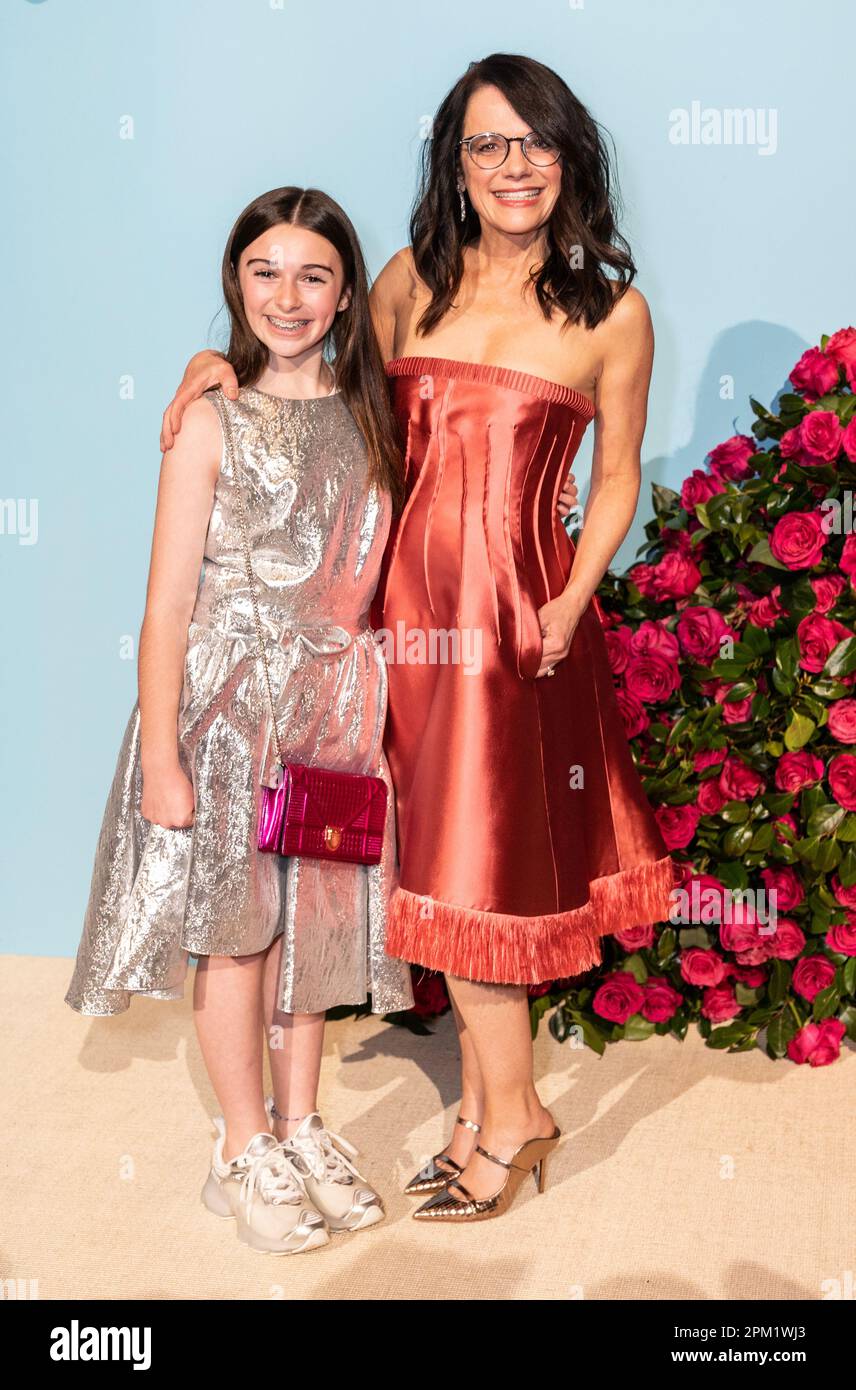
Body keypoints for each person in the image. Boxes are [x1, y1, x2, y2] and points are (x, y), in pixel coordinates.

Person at [158, 54, 675, 1225]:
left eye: (534, 144)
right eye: (486, 145)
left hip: (507, 626)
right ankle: (502, 1107)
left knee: (478, 874)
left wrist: (574, 593)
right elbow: (319, 385)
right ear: (453, 162)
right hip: (382, 618)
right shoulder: (404, 283)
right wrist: (216, 366)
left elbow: (616, 479)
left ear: (569, 158)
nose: (512, 167)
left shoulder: (609, 311)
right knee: (419, 867)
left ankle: (510, 1119)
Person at [65, 186, 415, 1254]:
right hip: (225, 714)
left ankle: (301, 1124)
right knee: (234, 930)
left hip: (334, 701)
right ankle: (239, 1146)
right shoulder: (209, 419)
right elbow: (165, 602)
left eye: (313, 274)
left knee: (309, 921)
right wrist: (165, 757)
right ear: (236, 284)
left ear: (347, 290)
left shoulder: (372, 415)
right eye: (264, 271)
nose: (287, 295)